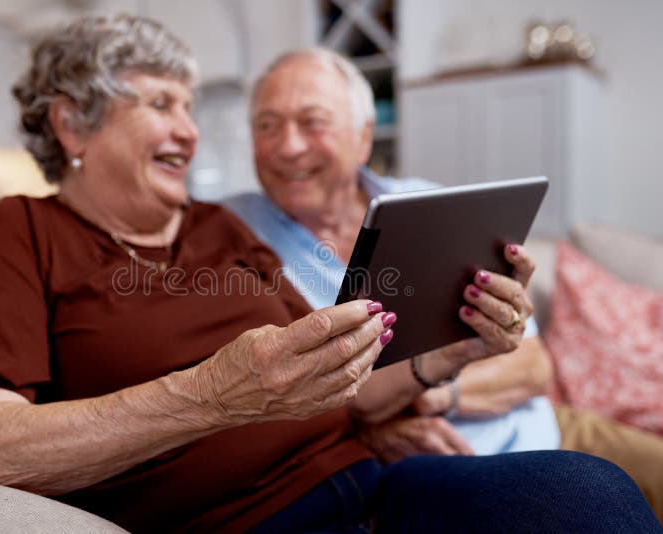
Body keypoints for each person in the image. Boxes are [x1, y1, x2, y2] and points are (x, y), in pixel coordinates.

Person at [0, 15, 660, 534]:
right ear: (72, 125)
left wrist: (451, 351)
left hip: (377, 486)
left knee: (584, 490)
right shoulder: (24, 230)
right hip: (249, 521)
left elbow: (344, 381)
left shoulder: (221, 226)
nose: (189, 129)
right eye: (160, 104)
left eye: (189, 106)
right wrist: (210, 397)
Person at [224, 46, 663, 520]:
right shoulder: (231, 233)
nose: (288, 146)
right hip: (446, 465)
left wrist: (427, 396)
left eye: (313, 122)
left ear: (363, 136)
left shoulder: (431, 203)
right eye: (267, 125)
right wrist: (370, 429)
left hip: (547, 427)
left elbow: (533, 366)